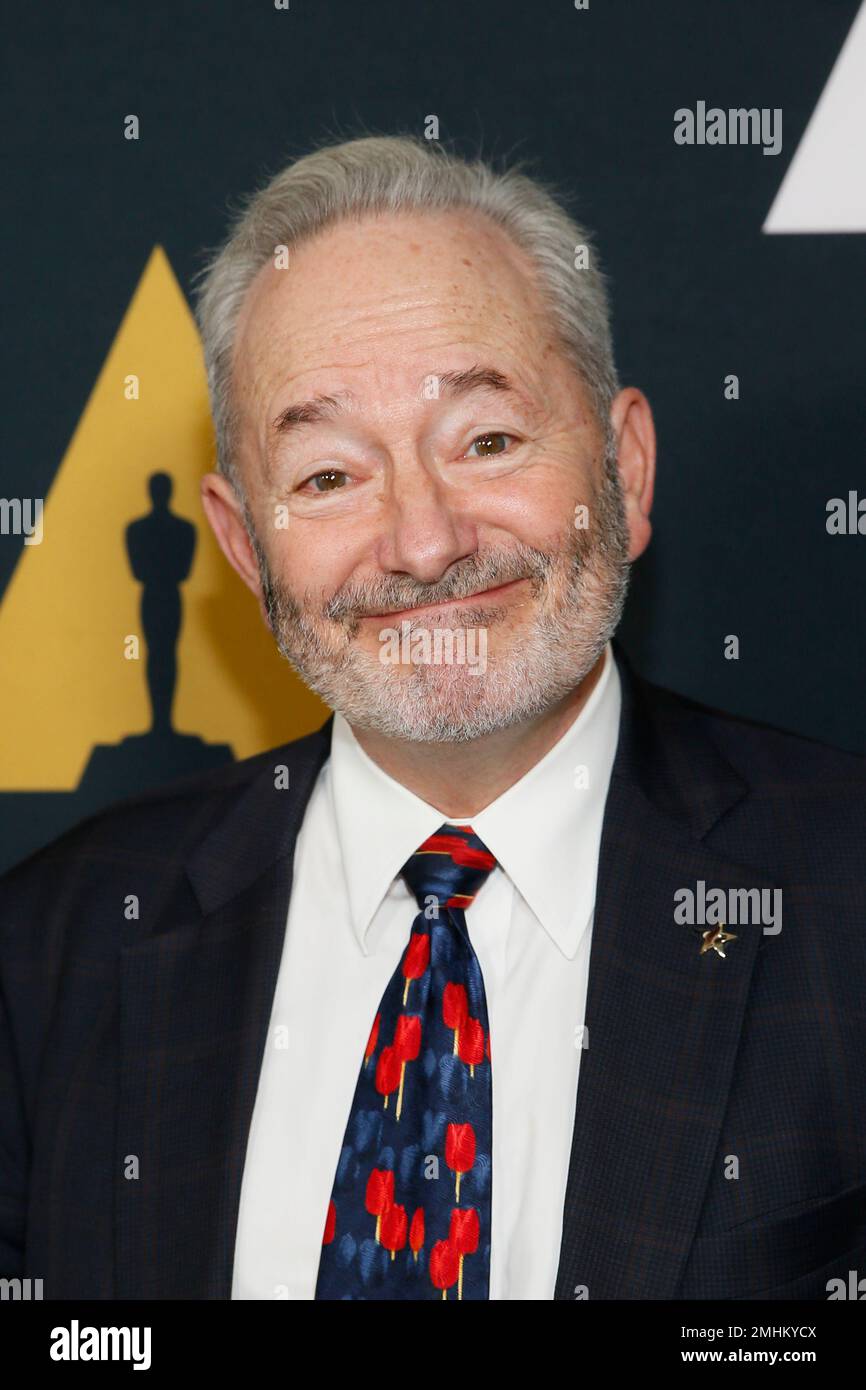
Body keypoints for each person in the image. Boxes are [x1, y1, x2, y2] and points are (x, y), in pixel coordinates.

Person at [1, 134, 864, 1301]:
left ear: (624, 469)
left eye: (488, 441)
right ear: (246, 547)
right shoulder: (54, 948)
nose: (423, 543)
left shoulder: (839, 892)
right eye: (327, 476)